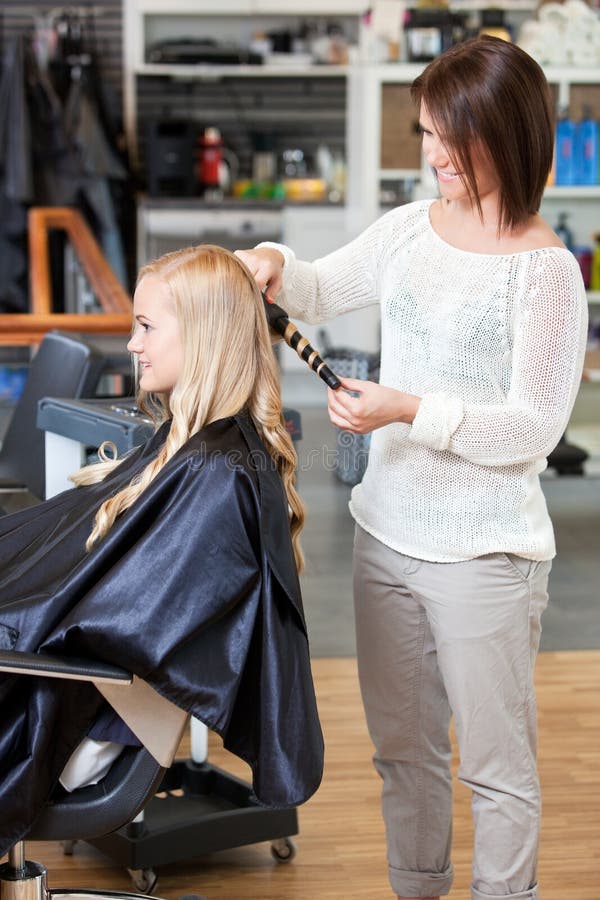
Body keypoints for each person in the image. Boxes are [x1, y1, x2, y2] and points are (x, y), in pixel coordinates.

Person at [236, 36, 588, 900]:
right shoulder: (408, 229)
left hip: (485, 556)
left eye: (451, 138)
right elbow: (319, 287)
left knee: (496, 769)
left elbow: (534, 429)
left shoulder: (546, 272)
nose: (434, 155)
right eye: (427, 133)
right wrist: (275, 261)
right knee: (403, 750)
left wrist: (406, 410)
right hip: (384, 535)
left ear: (508, 135)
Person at [0, 244, 323, 856]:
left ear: (202, 335)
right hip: (71, 693)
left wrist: (18, 609)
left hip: (69, 716)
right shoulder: (197, 448)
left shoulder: (214, 473)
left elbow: (122, 626)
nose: (132, 344)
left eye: (147, 327)